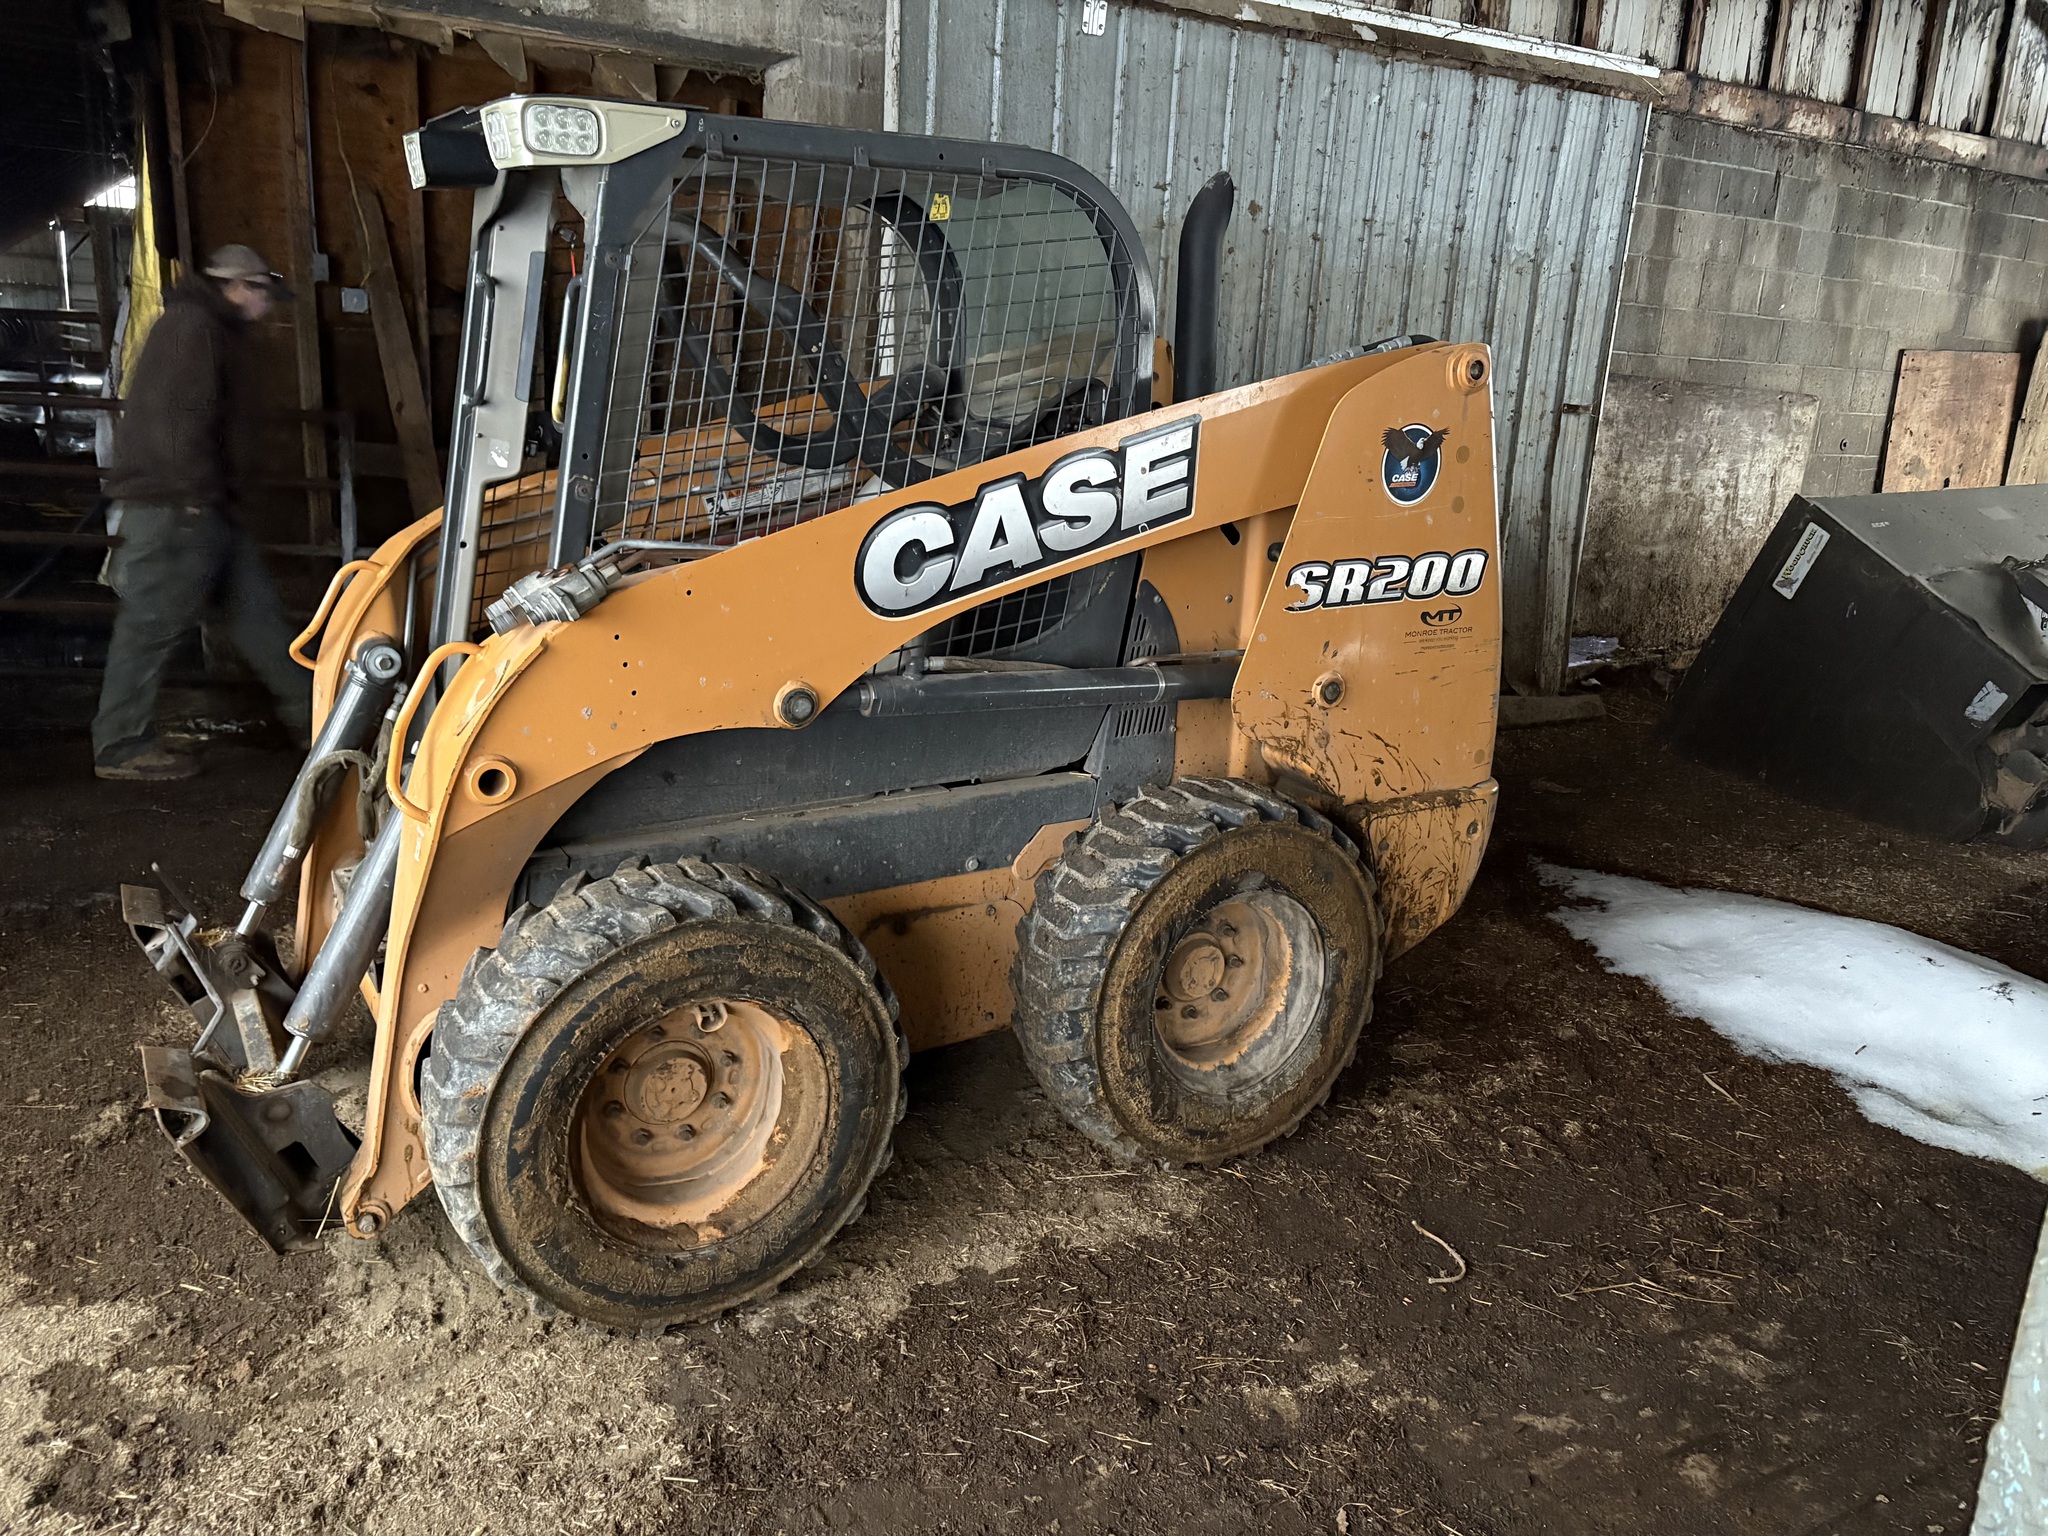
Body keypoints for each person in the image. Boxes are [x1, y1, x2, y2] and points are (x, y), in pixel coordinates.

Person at [92, 244, 313, 781]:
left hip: (206, 504)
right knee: (151, 624)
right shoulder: (193, 329)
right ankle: (120, 745)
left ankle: (320, 724)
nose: (267, 307)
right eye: (263, 295)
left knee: (257, 616)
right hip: (177, 506)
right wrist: (190, 493)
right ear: (239, 287)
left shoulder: (209, 329)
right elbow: (177, 418)